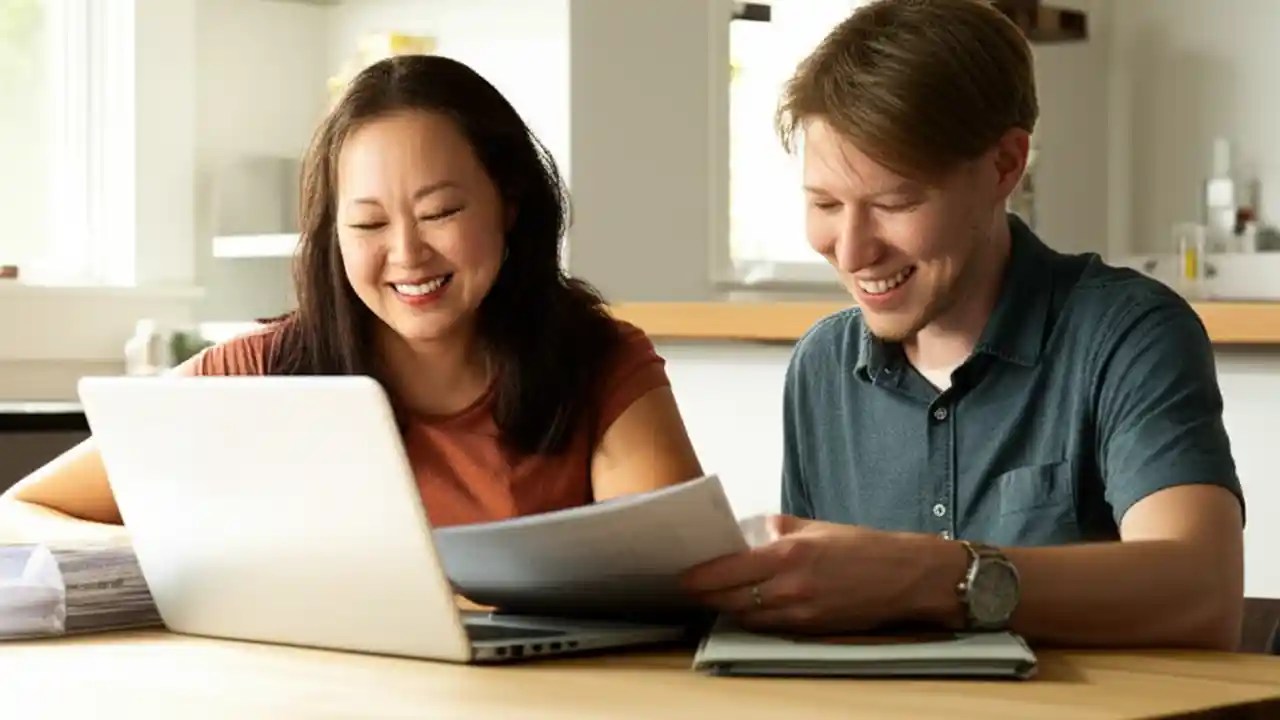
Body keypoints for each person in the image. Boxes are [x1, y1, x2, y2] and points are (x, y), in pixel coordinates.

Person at [682, 0, 1245, 650]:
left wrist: (933, 576)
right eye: (826, 203)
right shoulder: (823, 367)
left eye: (896, 203)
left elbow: (1201, 597)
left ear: (1006, 165)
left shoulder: (1127, 334)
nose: (853, 250)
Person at [0, 54, 702, 540]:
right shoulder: (254, 373)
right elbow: (25, 512)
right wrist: (184, 555)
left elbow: (669, 580)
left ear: (509, 202)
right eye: (367, 223)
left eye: (441, 212)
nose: (406, 254)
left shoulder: (598, 362)